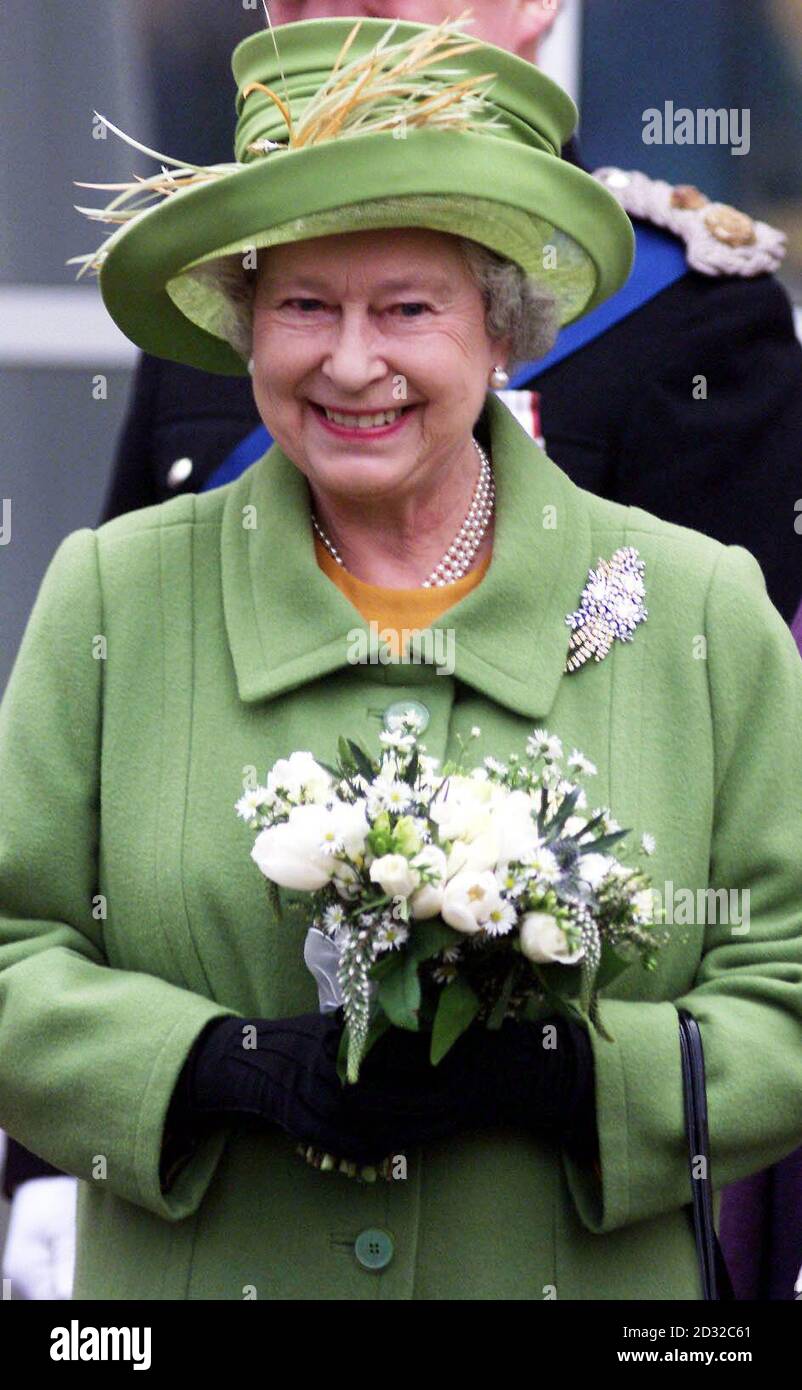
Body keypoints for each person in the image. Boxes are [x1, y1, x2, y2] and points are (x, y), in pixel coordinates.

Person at [2, 14, 802, 1302]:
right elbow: (11, 948)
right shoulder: (114, 595)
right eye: (304, 305)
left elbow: (787, 992)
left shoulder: (698, 610)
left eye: (408, 308)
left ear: (506, 333)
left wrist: (582, 1078)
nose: (352, 361)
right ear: (245, 327)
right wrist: (202, 1063)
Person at [97, 0, 802, 625]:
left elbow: (711, 706)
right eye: (293, 0)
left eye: (374, 4)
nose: (328, 33)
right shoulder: (224, 281)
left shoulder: (690, 315)